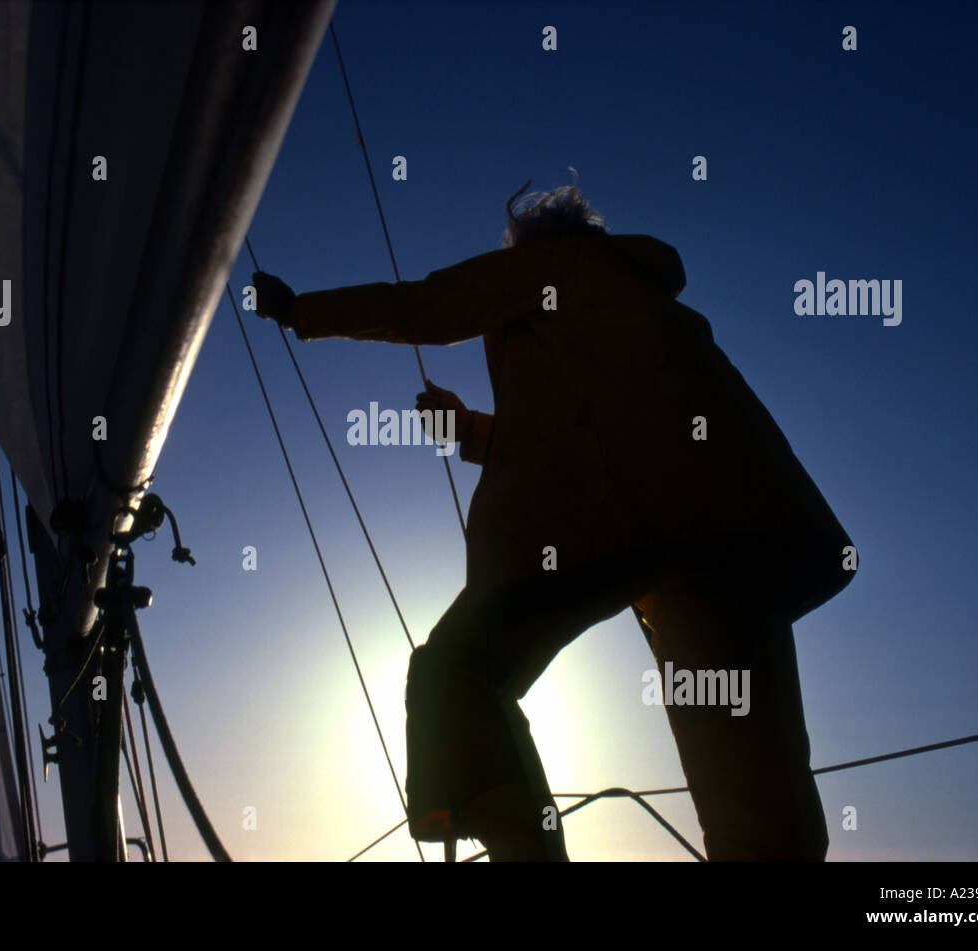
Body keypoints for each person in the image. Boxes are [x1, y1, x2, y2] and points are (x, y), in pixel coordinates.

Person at [251, 175, 854, 861]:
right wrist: (469, 431)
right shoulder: (635, 299)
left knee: (457, 675)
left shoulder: (549, 266)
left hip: (623, 527)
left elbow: (426, 305)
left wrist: (303, 310)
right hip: (736, 529)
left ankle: (517, 835)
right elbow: (590, 429)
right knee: (754, 791)